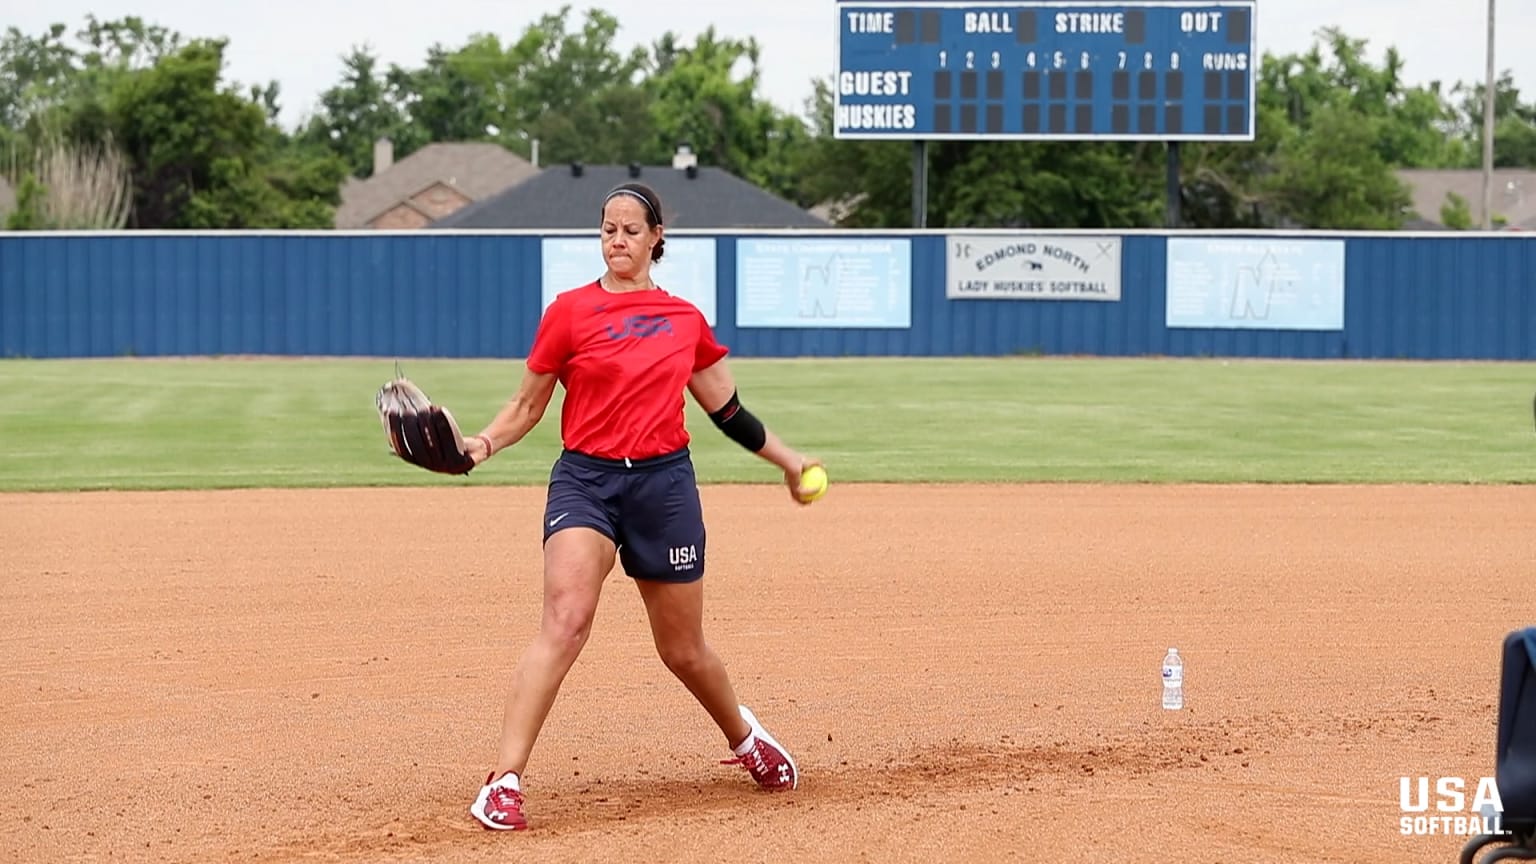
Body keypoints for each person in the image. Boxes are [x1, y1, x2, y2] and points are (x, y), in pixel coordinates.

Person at [461, 181, 823, 831]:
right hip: (587, 482)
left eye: (631, 230)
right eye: (608, 229)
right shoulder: (569, 312)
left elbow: (729, 412)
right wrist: (480, 445)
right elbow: (526, 405)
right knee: (565, 620)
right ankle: (504, 779)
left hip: (664, 488)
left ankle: (746, 738)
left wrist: (790, 461)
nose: (618, 240)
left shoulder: (683, 319)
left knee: (682, 650)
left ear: (657, 238)